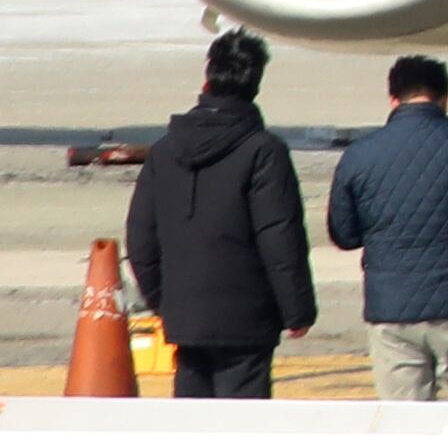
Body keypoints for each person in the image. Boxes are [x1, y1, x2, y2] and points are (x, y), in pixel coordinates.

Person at [122, 29, 315, 398]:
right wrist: (298, 310)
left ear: (207, 79)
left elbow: (141, 235)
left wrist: (163, 299)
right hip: (247, 319)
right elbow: (280, 237)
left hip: (185, 316)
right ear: (255, 85)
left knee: (193, 426)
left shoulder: (165, 150)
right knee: (240, 431)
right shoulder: (263, 150)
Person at [326, 54, 448, 402]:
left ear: (392, 99)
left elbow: (344, 234)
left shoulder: (360, 154)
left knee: (405, 427)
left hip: (391, 307)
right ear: (444, 97)